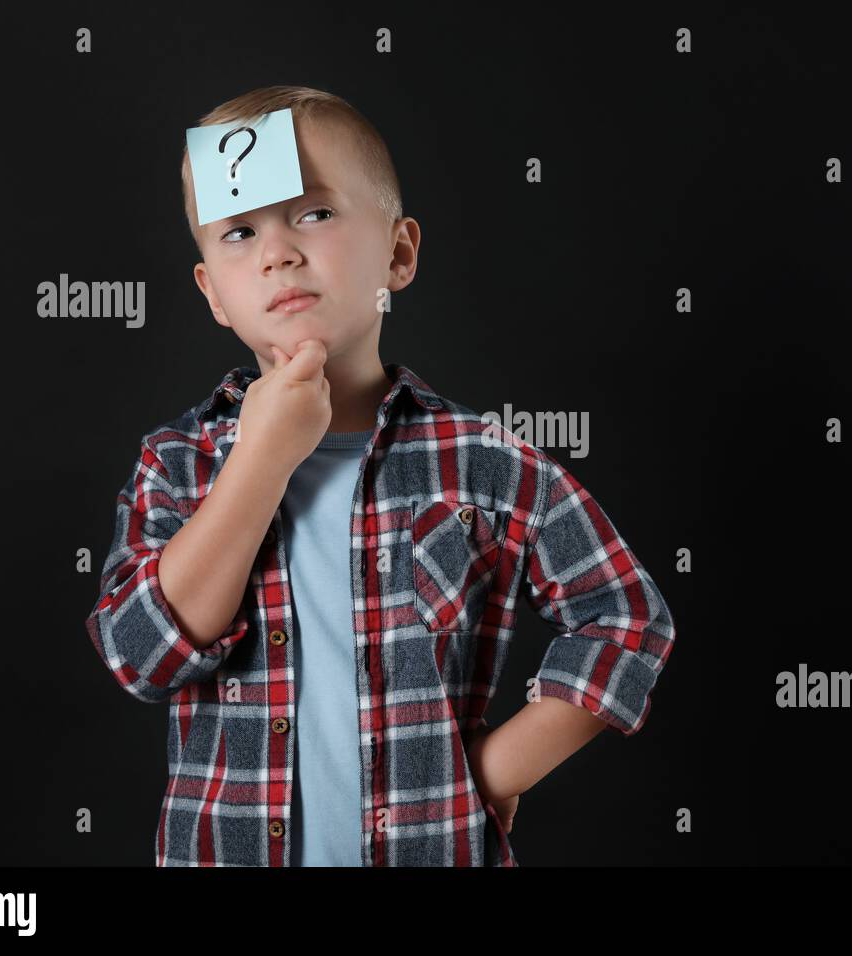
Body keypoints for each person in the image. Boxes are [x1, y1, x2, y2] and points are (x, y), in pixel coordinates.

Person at [84, 84, 677, 866]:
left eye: (315, 213)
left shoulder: (482, 459)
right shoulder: (178, 460)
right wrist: (261, 457)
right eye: (238, 232)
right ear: (212, 295)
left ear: (398, 254)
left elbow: (627, 617)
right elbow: (141, 654)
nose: (277, 252)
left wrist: (491, 772)